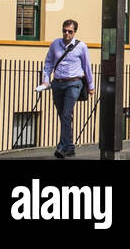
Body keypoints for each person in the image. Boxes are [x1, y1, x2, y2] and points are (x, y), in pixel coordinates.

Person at [41, 19, 94, 158]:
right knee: (63, 116)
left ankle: (62, 147)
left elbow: (87, 67)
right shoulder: (55, 44)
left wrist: (91, 86)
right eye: (64, 30)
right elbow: (48, 63)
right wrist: (46, 81)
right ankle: (70, 147)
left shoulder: (81, 46)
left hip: (74, 83)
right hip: (57, 84)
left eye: (70, 31)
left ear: (74, 32)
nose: (67, 33)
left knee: (66, 114)